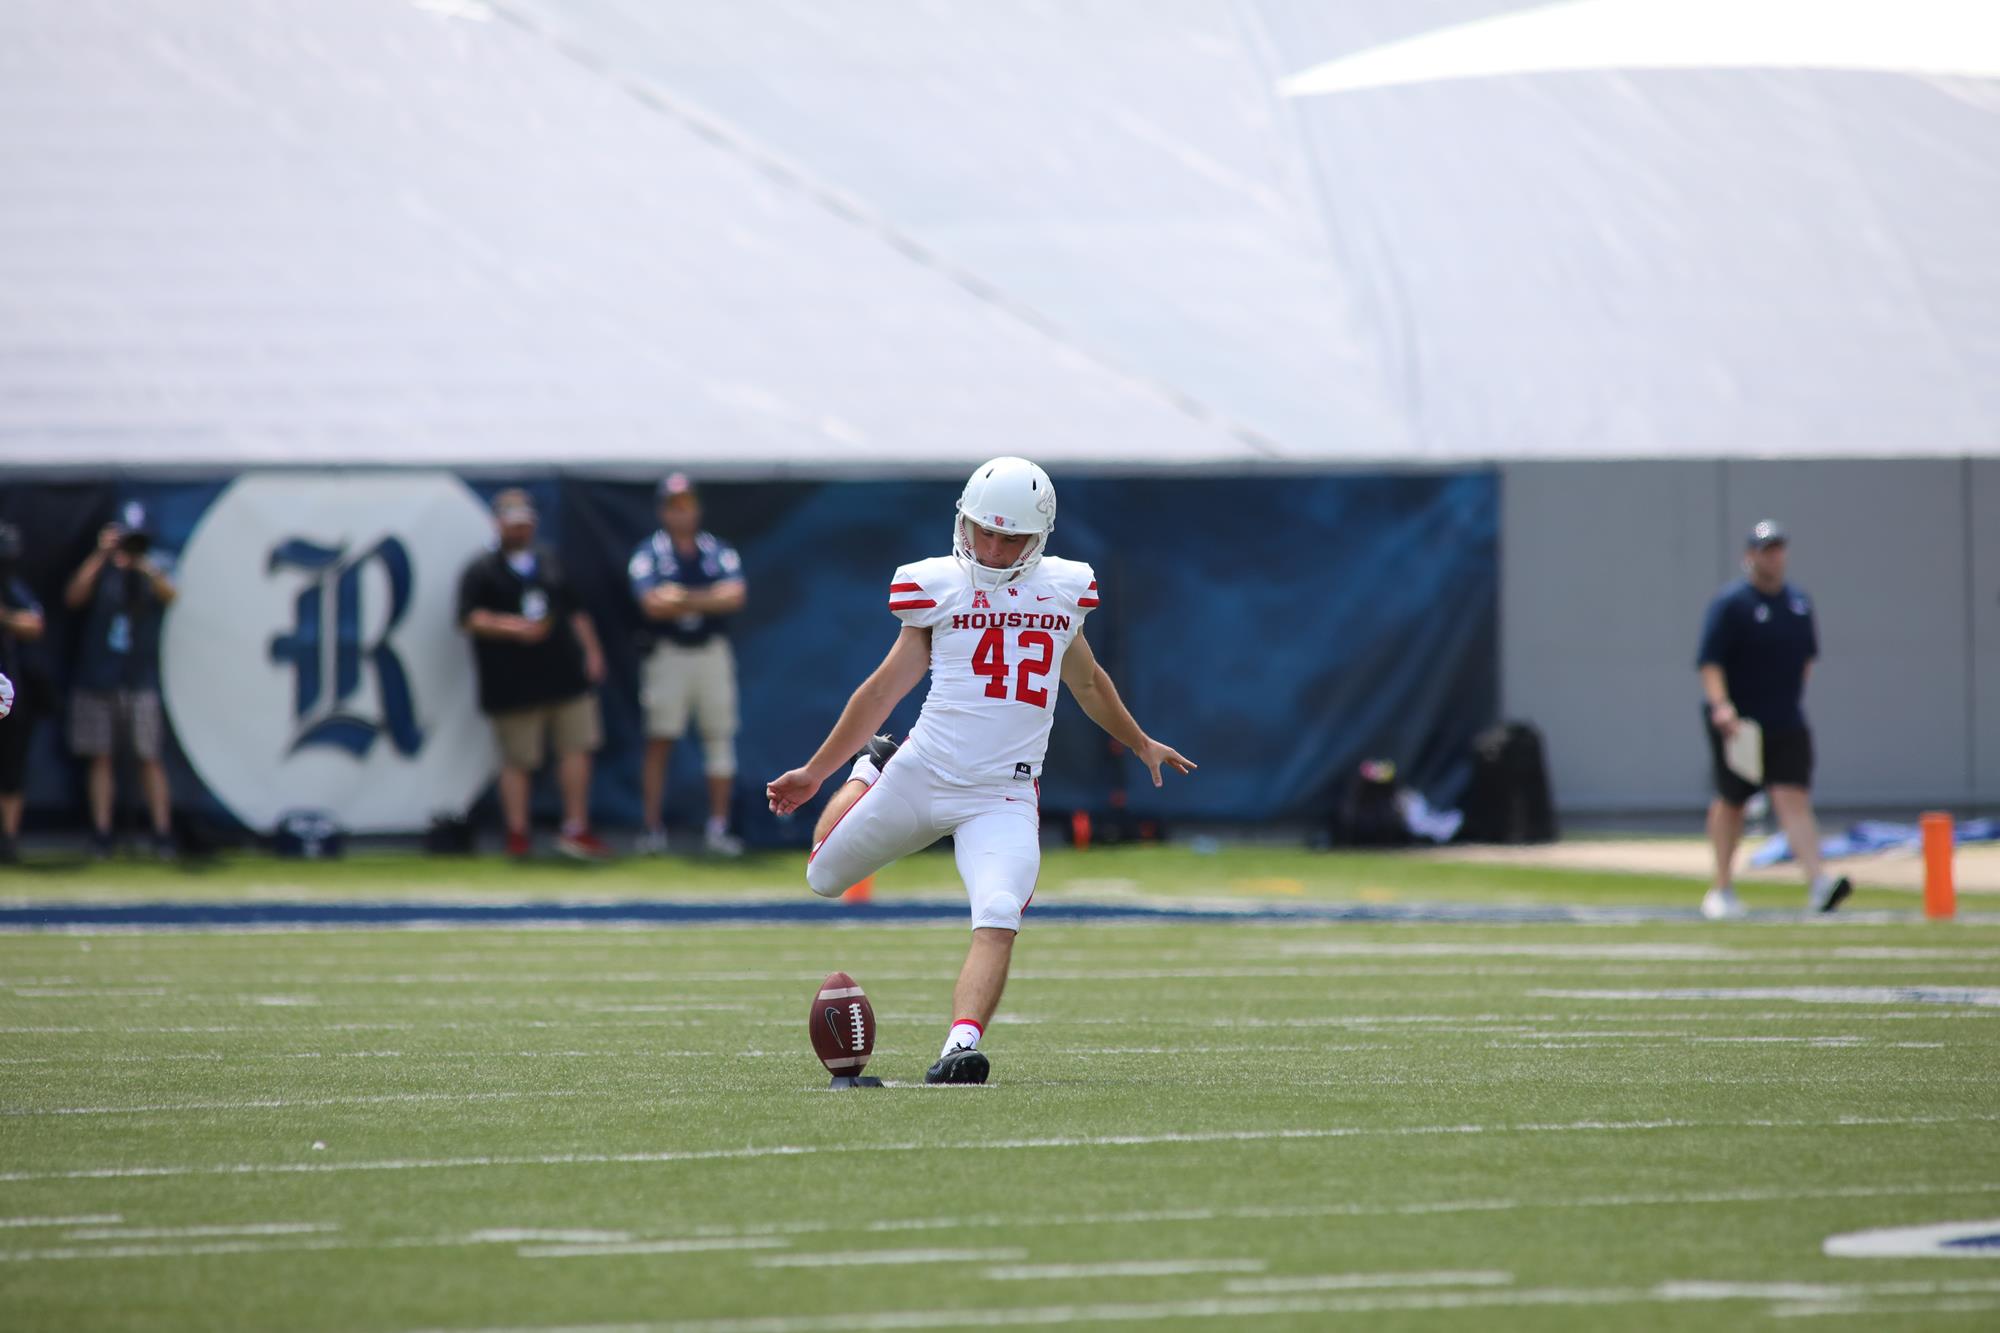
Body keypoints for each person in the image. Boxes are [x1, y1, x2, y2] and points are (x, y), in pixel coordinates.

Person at [767, 457, 1195, 1084]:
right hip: (922, 773)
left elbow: (1087, 682)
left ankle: (960, 1046)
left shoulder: (1063, 589)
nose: (993, 549)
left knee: (998, 911)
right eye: (983, 531)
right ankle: (870, 769)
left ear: (1039, 537)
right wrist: (816, 772)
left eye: (1010, 538)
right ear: (962, 523)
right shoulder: (938, 585)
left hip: (1003, 793)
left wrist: (1140, 742)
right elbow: (882, 690)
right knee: (823, 877)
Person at [1696, 520, 1851, 919]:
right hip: (1741, 724)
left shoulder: (1798, 603)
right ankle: (1721, 887)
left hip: (1785, 719)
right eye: (1766, 550)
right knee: (1732, 801)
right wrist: (1722, 706)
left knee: (1792, 796)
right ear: (1751, 556)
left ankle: (1818, 883)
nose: (1774, 557)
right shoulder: (1732, 603)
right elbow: (1710, 662)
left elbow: (1806, 662)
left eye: (1779, 549)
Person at [458, 489, 612, 862]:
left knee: (577, 747)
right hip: (513, 681)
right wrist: (514, 628)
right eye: (513, 525)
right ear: (498, 524)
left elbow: (575, 609)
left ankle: (575, 827)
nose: (520, 531)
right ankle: (518, 832)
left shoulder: (549, 560)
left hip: (563, 674)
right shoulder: (482, 569)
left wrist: (592, 651)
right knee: (518, 758)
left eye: (525, 524)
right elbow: (468, 617)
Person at [628, 473, 747, 856]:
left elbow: (735, 596)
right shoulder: (650, 553)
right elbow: (651, 604)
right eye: (674, 506)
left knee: (719, 736)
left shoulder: (716, 549)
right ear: (663, 511)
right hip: (668, 652)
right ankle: (652, 829)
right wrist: (708, 597)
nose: (682, 513)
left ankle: (718, 827)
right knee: (660, 737)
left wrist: (682, 597)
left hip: (710, 650)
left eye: (688, 504)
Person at [65, 504, 177, 859]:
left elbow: (171, 594)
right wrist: (102, 555)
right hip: (97, 675)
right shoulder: (102, 569)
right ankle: (102, 833)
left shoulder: (151, 567)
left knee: (149, 755)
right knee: (100, 756)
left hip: (139, 677)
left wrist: (141, 563)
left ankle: (162, 833)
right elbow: (73, 597)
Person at [0, 521, 42, 863]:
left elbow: (34, 624)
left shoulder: (12, 588)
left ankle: (8, 840)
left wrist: (4, 617)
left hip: (9, 684)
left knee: (12, 765)